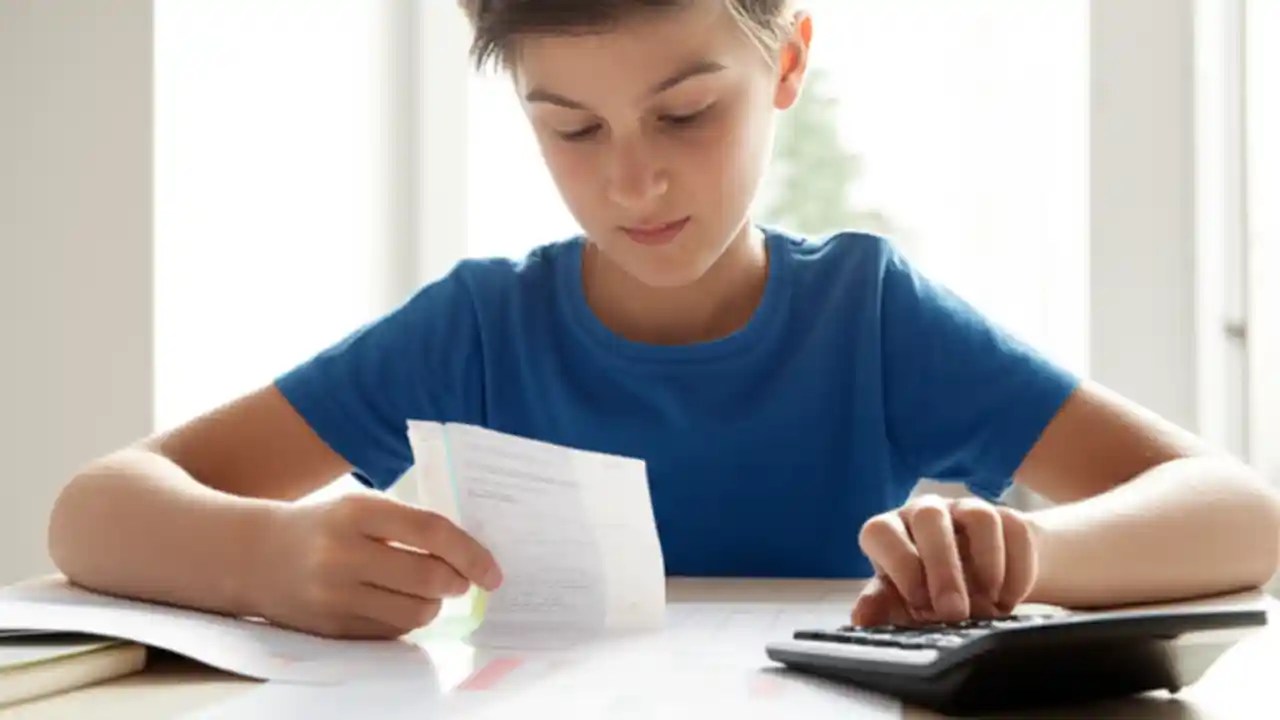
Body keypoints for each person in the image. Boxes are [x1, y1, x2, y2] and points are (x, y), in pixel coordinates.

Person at [47, 0, 1279, 639]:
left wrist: (1028, 561)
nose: (631, 183)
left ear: (785, 65)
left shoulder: (869, 321)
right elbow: (95, 510)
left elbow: (1235, 511)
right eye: (570, 128)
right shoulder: (475, 328)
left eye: (685, 114)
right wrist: (264, 559)